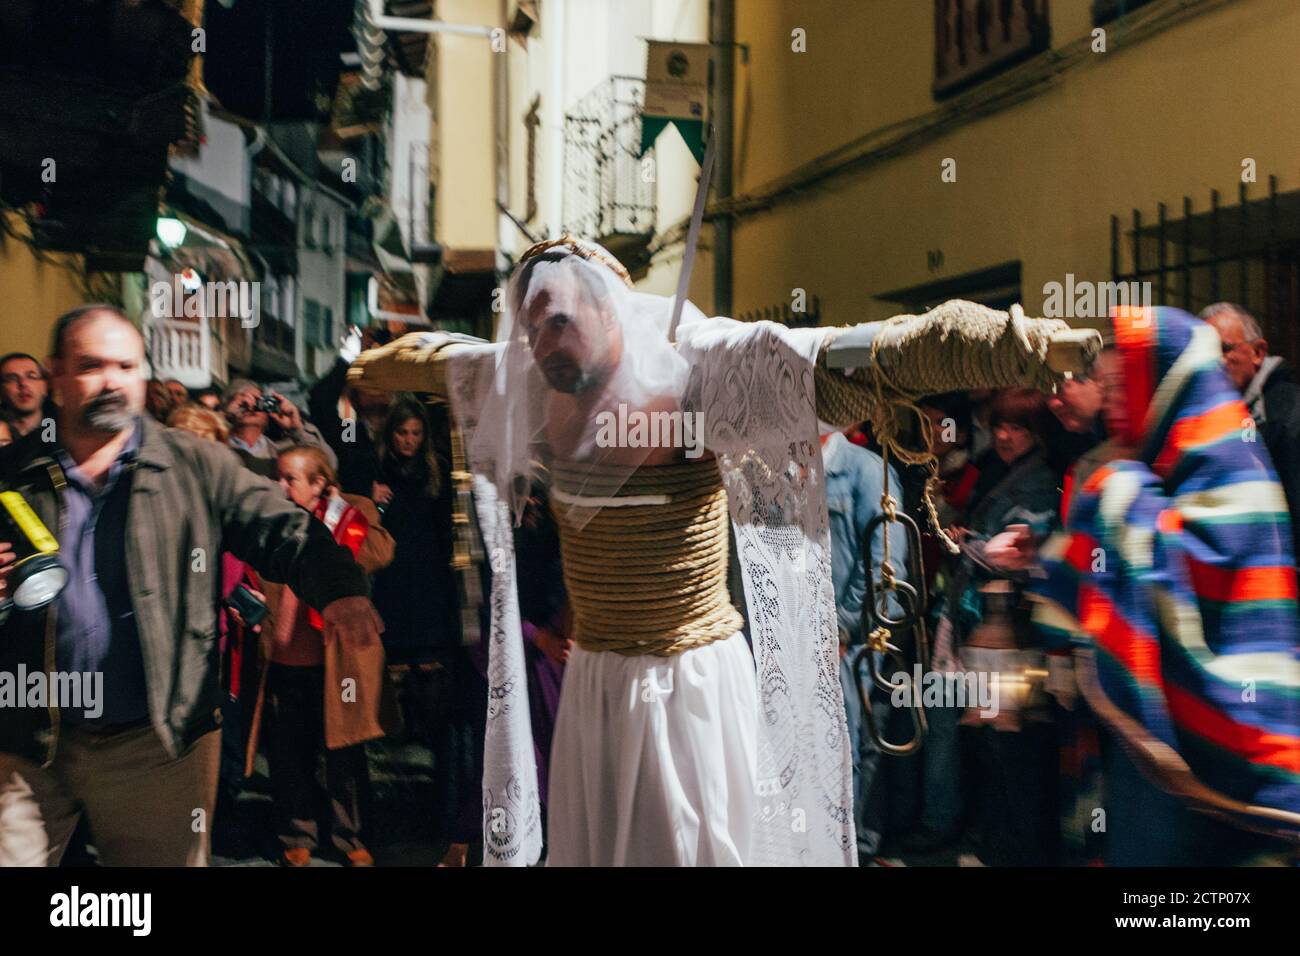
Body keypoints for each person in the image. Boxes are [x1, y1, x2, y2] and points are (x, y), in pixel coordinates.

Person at [347, 237, 1097, 867]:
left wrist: (1019, 346)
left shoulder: (699, 372)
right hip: (597, 683)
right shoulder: (530, 383)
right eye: (532, 326)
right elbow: (444, 360)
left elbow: (852, 358)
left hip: (689, 686)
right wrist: (373, 369)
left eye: (560, 322)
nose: (543, 341)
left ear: (611, 311)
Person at [0, 304, 383, 867]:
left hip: (158, 743)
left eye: (126, 367)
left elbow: (288, 531)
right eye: (91, 365)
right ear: (55, 373)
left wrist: (342, 589)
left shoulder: (196, 467)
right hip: (28, 739)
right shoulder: (12, 472)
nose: (112, 381)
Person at [1023, 305, 1300, 863]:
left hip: (1222, 739)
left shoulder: (1229, 462)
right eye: (1108, 386)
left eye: (1127, 383)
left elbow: (1208, 563)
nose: (1115, 400)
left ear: (1170, 380)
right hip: (1157, 740)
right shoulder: (1154, 464)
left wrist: (1115, 492)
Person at [932, 388, 1062, 865]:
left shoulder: (1038, 479)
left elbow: (1012, 553)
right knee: (991, 738)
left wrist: (970, 541)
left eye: (1018, 428)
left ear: (1036, 433)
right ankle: (999, 842)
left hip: (1012, 632)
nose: (1005, 436)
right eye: (1000, 426)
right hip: (986, 627)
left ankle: (1016, 849)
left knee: (1011, 741)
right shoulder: (998, 469)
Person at [256, 446, 394, 867]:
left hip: (336, 664)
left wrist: (334, 512)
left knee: (344, 755)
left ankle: (350, 837)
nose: (280, 486)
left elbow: (380, 553)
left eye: (291, 479)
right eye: (278, 477)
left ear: (319, 482)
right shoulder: (270, 518)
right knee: (288, 755)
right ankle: (298, 834)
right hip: (282, 660)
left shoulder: (352, 511)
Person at [822, 423, 907, 863]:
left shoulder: (866, 471)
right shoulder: (776, 468)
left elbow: (886, 568)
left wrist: (841, 629)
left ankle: (851, 852)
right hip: (795, 640)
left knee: (848, 753)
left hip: (848, 647)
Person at [1200, 302, 1300, 567]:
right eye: (1206, 352)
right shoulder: (1213, 410)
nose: (1216, 361)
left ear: (1258, 352)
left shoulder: (1283, 412)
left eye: (1225, 348)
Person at [223, 378, 337, 470]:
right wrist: (225, 417)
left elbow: (327, 465)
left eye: (258, 402)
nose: (251, 406)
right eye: (243, 404)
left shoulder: (282, 454)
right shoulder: (217, 446)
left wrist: (297, 430)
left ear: (268, 411)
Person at [0, 352, 52, 441]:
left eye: (31, 377)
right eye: (12, 379)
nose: (23, 384)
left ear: (45, 387)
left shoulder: (65, 430)